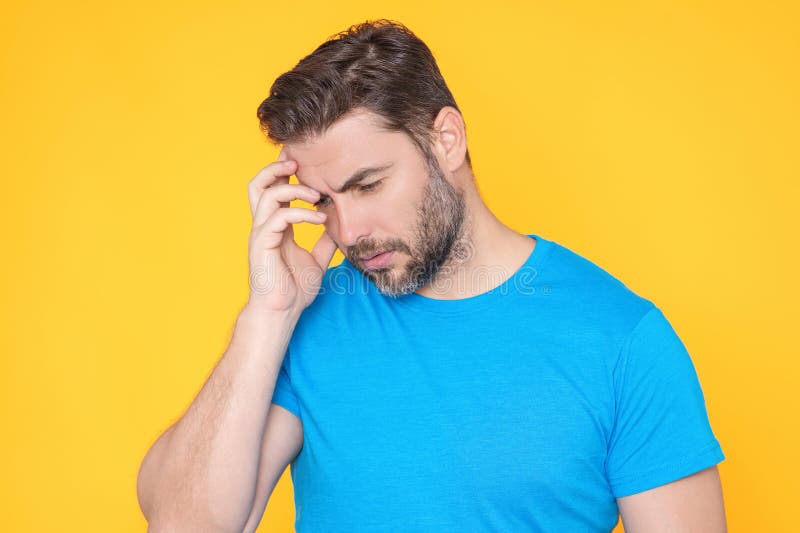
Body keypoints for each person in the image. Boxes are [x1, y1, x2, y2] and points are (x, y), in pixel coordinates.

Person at [137, 19, 727, 532]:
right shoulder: (308, 323)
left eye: (367, 185)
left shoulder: (623, 339)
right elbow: (182, 525)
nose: (348, 231)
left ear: (446, 139)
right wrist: (266, 317)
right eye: (323, 202)